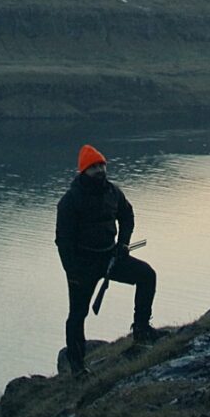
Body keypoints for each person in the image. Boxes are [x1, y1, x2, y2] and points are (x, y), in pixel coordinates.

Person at [54, 144, 160, 373]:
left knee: (147, 276)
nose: (100, 170)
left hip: (110, 257)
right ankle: (76, 366)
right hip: (83, 266)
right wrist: (72, 272)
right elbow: (63, 241)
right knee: (77, 314)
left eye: (102, 165)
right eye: (94, 167)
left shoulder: (113, 192)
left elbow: (127, 215)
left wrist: (123, 243)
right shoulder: (70, 201)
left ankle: (141, 328)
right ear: (83, 171)